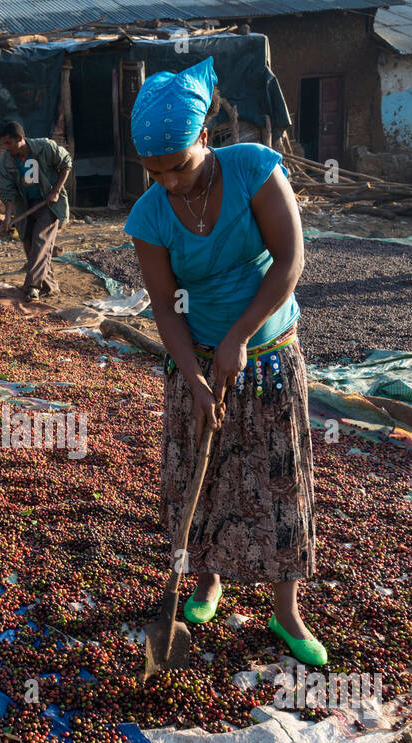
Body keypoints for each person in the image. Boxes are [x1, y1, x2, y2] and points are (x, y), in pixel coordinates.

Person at [123, 57, 326, 667]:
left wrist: (238, 338)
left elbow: (289, 264)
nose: (168, 183)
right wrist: (194, 376)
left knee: (278, 479)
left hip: (266, 358)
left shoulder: (253, 170)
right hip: (196, 363)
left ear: (204, 140)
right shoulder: (151, 214)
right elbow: (164, 309)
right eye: (153, 172)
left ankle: (285, 609)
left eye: (178, 167)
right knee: (201, 480)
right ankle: (207, 581)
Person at [0, 121, 72, 301]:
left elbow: (66, 164)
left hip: (48, 203)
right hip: (26, 205)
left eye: (8, 143)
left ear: (20, 139)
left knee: (41, 241)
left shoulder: (45, 147)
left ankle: (31, 288)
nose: (5, 148)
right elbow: (8, 192)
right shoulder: (6, 161)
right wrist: (8, 219)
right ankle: (50, 286)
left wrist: (55, 191)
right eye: (3, 143)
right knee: (30, 245)